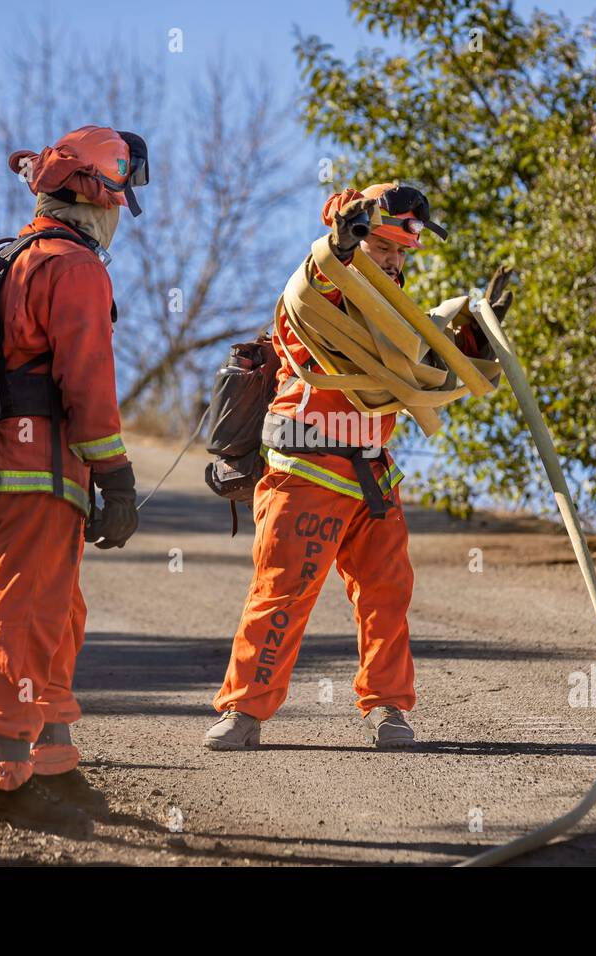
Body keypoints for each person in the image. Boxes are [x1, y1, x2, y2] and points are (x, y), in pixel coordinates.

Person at [205, 182, 513, 750]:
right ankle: (243, 712)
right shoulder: (318, 293)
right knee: (283, 591)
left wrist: (477, 332)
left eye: (400, 253)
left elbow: (424, 366)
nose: (394, 262)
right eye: (383, 250)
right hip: (307, 469)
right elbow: (320, 288)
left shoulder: (396, 315)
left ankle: (389, 708)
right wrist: (341, 251)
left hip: (371, 471)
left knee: (387, 591)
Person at [0, 126, 148, 834]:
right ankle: (3, 773)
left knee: (56, 610)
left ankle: (53, 763)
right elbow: (87, 382)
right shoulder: (74, 266)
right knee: (28, 607)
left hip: (38, 465)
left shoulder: (24, 257)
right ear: (97, 194)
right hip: (36, 463)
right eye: (119, 198)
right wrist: (120, 477)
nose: (119, 217)